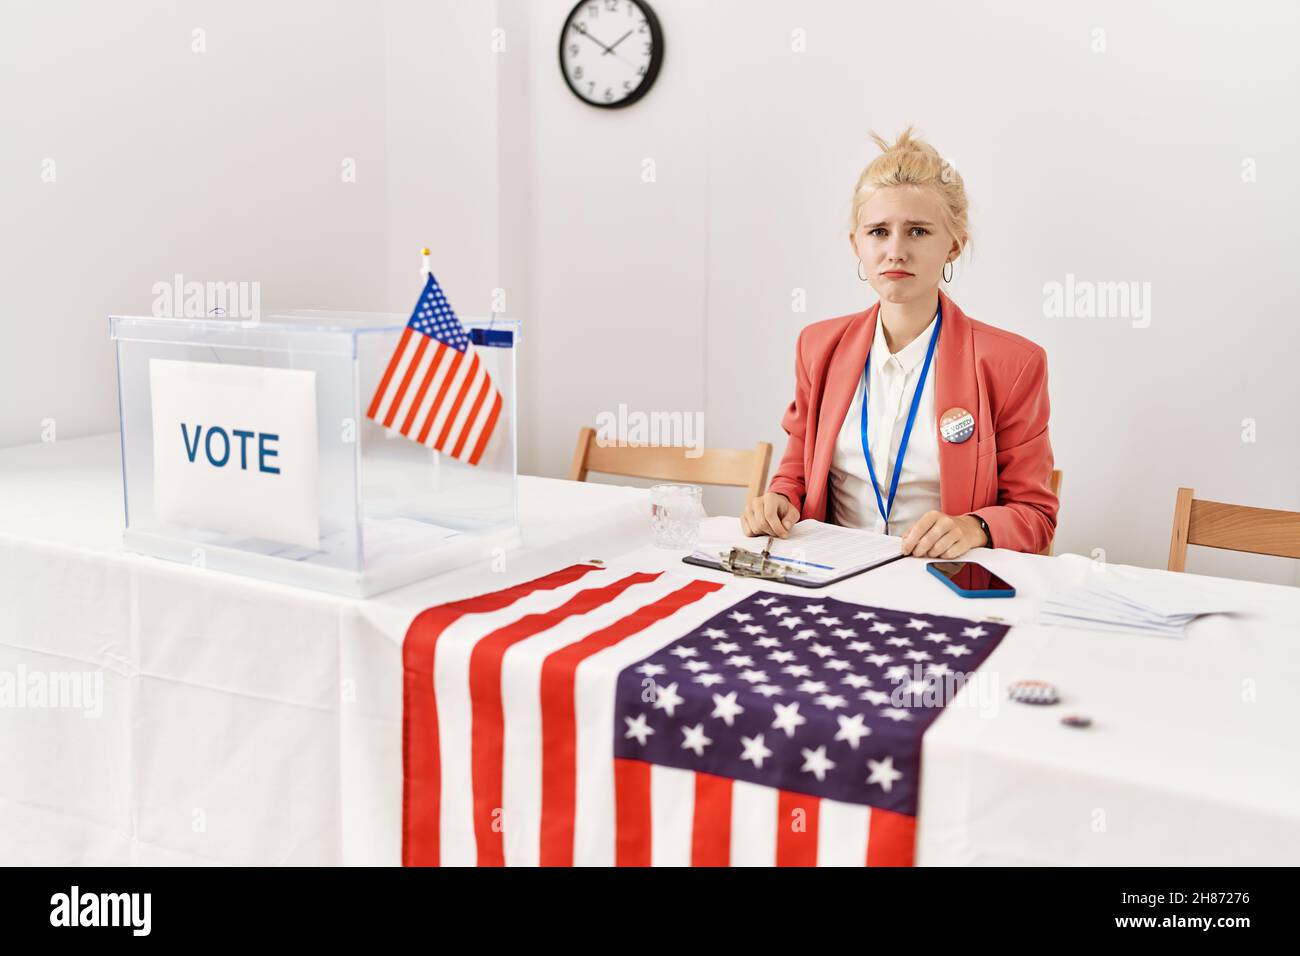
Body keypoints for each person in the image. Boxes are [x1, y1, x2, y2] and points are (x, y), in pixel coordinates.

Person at [742, 127, 1059, 558]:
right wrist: (779, 499)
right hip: (830, 574)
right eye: (878, 232)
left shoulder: (1013, 363)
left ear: (953, 246)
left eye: (917, 231)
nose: (895, 251)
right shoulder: (817, 346)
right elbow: (797, 472)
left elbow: (1035, 515)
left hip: (939, 580)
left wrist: (975, 527)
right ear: (857, 243)